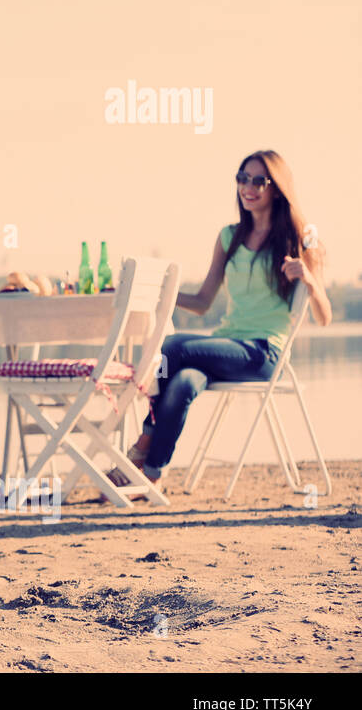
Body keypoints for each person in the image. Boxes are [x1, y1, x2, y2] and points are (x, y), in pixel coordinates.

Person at [112, 150, 330, 486]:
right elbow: (201, 302)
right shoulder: (229, 237)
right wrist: (159, 295)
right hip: (226, 345)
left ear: (276, 188)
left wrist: (310, 280)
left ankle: (143, 442)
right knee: (182, 382)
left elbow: (324, 318)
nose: (249, 187)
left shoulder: (295, 241)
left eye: (259, 181)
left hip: (263, 352)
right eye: (242, 178)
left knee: (171, 346)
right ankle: (152, 475)